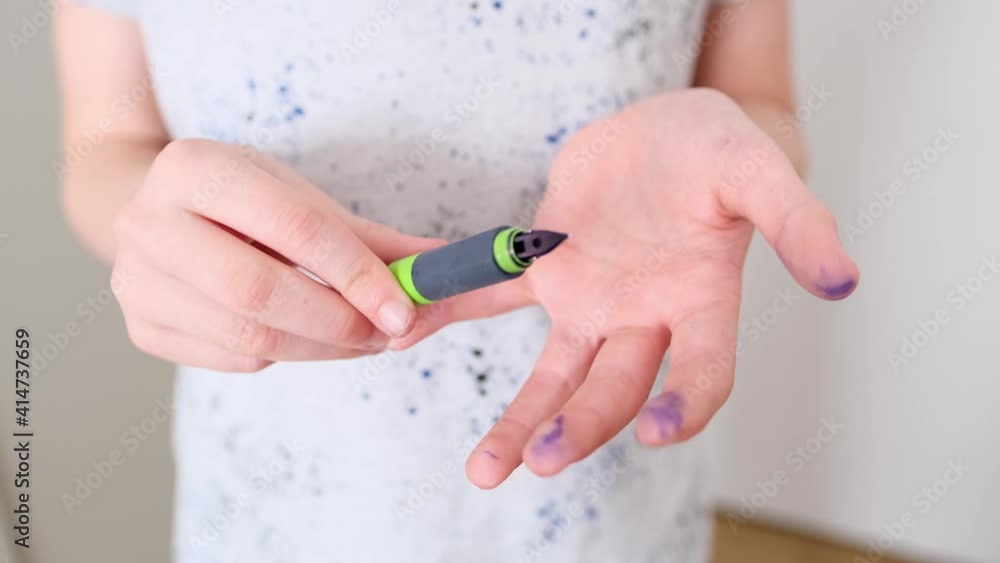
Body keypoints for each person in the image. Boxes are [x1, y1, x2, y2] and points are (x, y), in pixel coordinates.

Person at [56, 0, 858, 561]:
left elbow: (760, 100)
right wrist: (154, 220)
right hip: (281, 482)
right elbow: (103, 147)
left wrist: (740, 148)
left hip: (601, 461)